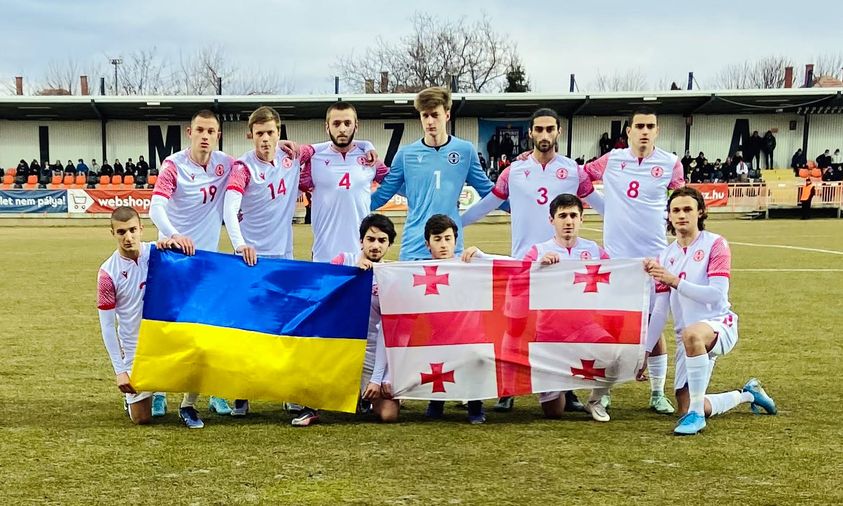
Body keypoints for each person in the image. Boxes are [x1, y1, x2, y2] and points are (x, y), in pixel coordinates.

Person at [644, 186, 776, 435]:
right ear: (669, 216)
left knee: (693, 334)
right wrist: (646, 350)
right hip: (688, 340)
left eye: (687, 209)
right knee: (686, 405)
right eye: (676, 210)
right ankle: (748, 395)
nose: (681, 215)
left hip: (718, 324)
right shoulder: (665, 255)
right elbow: (660, 310)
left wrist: (675, 281)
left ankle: (696, 417)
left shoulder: (716, 244)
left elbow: (717, 294)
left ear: (700, 212)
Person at [581, 107, 685, 414]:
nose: (644, 131)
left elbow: (683, 200)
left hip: (653, 258)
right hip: (617, 259)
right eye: (638, 125)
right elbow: (582, 179)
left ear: (657, 130)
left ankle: (657, 393)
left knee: (654, 326)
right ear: (628, 131)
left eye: (649, 126)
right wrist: (606, 209)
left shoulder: (670, 164)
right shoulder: (612, 159)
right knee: (612, 327)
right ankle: (606, 389)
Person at [149, 109, 238, 427]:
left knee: (204, 333)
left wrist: (291, 147)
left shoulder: (227, 165)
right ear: (190, 132)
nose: (205, 135)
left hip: (206, 264)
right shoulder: (173, 165)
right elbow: (156, 205)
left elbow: (255, 168)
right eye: (199, 129)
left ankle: (198, 396)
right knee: (168, 331)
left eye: (210, 130)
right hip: (173, 260)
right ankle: (158, 389)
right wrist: (172, 235)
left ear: (218, 135)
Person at [220, 106, 303, 418]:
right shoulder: (243, 167)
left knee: (286, 328)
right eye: (259, 134)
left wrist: (369, 149)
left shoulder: (292, 158)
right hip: (252, 261)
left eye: (270, 133)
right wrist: (241, 245)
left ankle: (288, 391)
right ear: (250, 135)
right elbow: (230, 208)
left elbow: (329, 151)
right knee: (247, 329)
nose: (265, 139)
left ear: (279, 132)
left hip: (284, 259)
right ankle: (242, 392)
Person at [370, 86, 497, 260]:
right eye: (425, 115)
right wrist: (349, 207)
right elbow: (382, 195)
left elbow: (488, 191)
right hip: (414, 247)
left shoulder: (465, 151)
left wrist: (521, 206)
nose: (430, 121)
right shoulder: (406, 155)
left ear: (447, 114)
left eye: (435, 115)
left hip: (450, 247)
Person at [519, 193, 611, 422]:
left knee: (615, 351)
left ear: (582, 219)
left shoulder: (596, 251)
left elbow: (619, 277)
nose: (568, 221)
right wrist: (537, 268)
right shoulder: (538, 251)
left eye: (573, 215)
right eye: (562, 216)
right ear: (552, 220)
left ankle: (596, 399)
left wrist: (644, 268)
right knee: (554, 412)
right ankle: (561, 386)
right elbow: (515, 280)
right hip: (549, 335)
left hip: (584, 328)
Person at [97, 207, 177, 425]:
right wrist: (120, 371)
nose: (128, 237)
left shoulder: (159, 255)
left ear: (142, 229)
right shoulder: (107, 273)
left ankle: (168, 391)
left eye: (133, 230)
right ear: (112, 233)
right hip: (136, 349)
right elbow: (107, 326)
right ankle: (144, 395)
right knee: (141, 419)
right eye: (121, 232)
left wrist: (174, 245)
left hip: (167, 343)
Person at [331, 214, 400, 423]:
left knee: (389, 415)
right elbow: (323, 295)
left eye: (382, 240)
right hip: (341, 350)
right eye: (370, 239)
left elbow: (388, 330)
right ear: (361, 241)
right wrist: (352, 276)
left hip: (372, 353)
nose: (376, 246)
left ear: (389, 245)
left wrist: (380, 378)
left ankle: (368, 394)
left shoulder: (392, 275)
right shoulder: (343, 261)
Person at [297, 102, 386, 262]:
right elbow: (287, 192)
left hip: (362, 258)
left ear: (356, 126)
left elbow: (396, 184)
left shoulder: (370, 160)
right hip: (324, 257)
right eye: (336, 124)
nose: (342, 129)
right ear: (327, 127)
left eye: (347, 123)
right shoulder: (313, 161)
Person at [421, 214, 488, 424]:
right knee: (435, 351)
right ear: (427, 244)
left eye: (448, 239)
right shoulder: (417, 271)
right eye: (438, 239)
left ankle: (475, 404)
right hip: (437, 336)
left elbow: (509, 266)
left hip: (468, 334)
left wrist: (482, 255)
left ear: (456, 241)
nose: (443, 244)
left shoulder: (469, 266)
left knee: (476, 352)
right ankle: (436, 401)